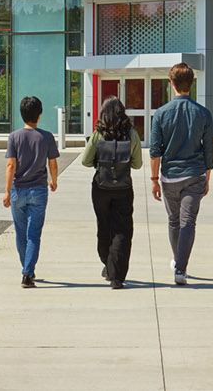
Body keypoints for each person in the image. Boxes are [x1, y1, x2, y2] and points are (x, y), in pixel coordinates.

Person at [146, 62, 213, 286]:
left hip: (170, 176)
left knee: (174, 221)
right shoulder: (203, 113)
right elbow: (208, 151)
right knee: (188, 223)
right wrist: (207, 179)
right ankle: (180, 267)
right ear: (191, 84)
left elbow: (155, 152)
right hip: (195, 175)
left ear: (171, 83)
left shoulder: (162, 113)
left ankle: (179, 263)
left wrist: (154, 180)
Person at [81, 97, 142, 289]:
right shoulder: (131, 134)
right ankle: (117, 276)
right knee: (122, 230)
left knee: (104, 226)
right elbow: (138, 164)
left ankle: (107, 263)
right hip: (123, 188)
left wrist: (98, 164)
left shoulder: (98, 135)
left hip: (101, 187)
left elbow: (85, 160)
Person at [2, 95, 58, 288]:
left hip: (18, 190)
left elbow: (11, 165)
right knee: (34, 233)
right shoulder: (47, 137)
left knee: (20, 233)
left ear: (22, 114)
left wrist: (7, 191)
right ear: (39, 115)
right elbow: (53, 163)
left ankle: (27, 269)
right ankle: (28, 272)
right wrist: (54, 181)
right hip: (39, 190)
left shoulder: (14, 137)